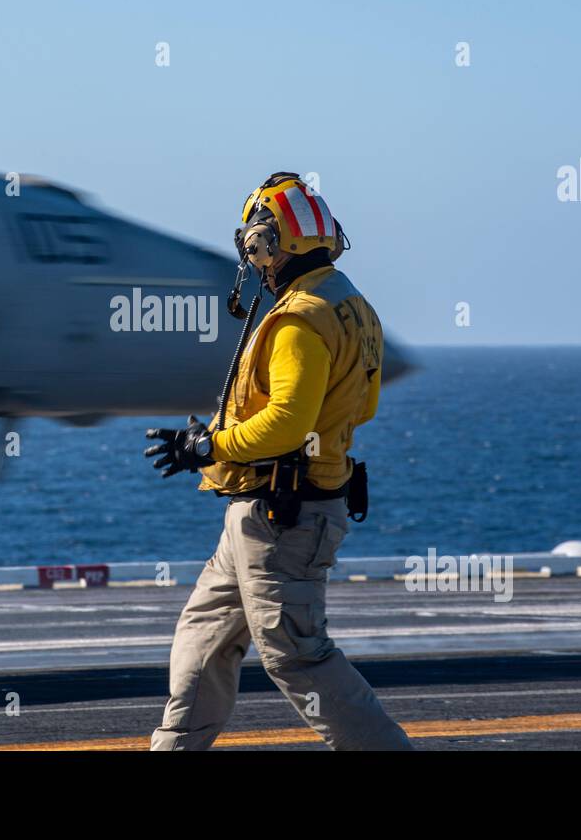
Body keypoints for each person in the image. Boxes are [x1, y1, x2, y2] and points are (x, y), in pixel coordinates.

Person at [143, 172, 413, 751]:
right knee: (206, 636)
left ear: (268, 243)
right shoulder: (351, 306)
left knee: (297, 655)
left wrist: (210, 447)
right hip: (266, 512)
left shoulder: (297, 319)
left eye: (253, 241)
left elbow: (288, 422)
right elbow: (361, 406)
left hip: (281, 519)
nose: (251, 254)